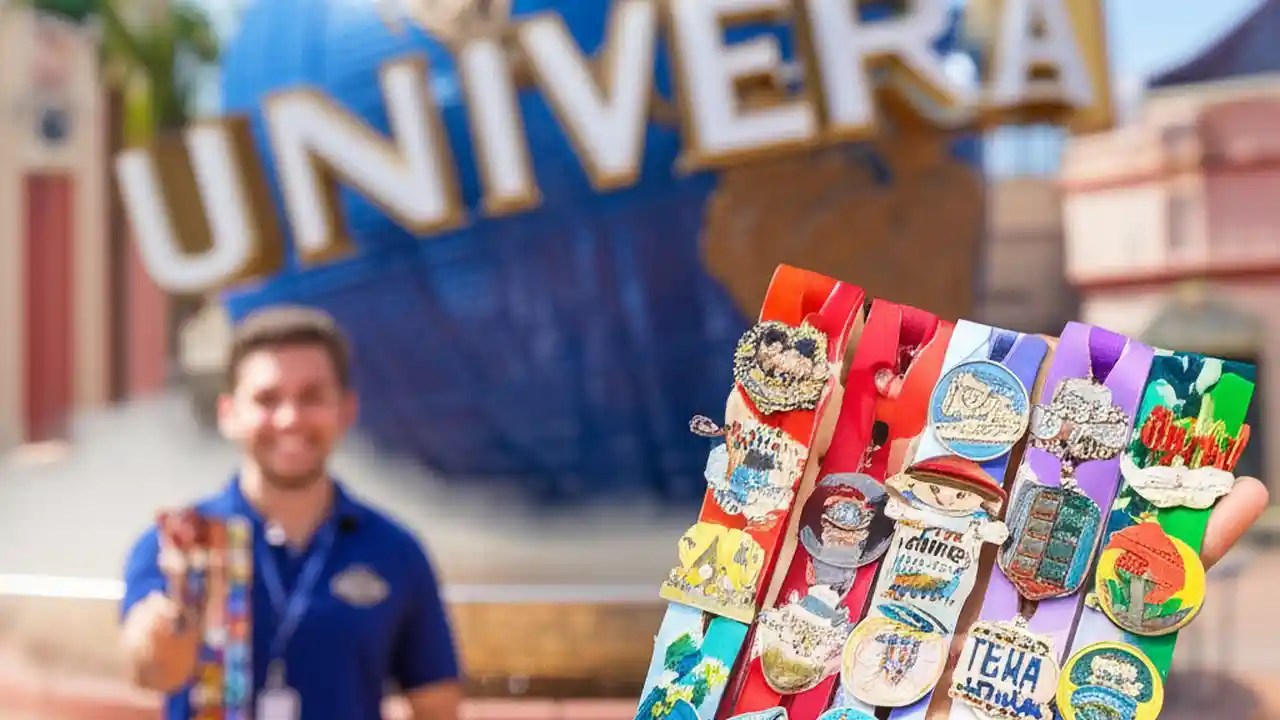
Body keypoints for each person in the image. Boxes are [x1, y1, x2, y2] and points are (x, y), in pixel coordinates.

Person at [119, 306, 462, 720]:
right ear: (229, 413)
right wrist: (183, 605)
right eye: (267, 399)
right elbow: (153, 672)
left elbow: (437, 705)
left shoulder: (394, 550)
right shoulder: (182, 539)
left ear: (347, 410)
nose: (290, 418)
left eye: (312, 397)